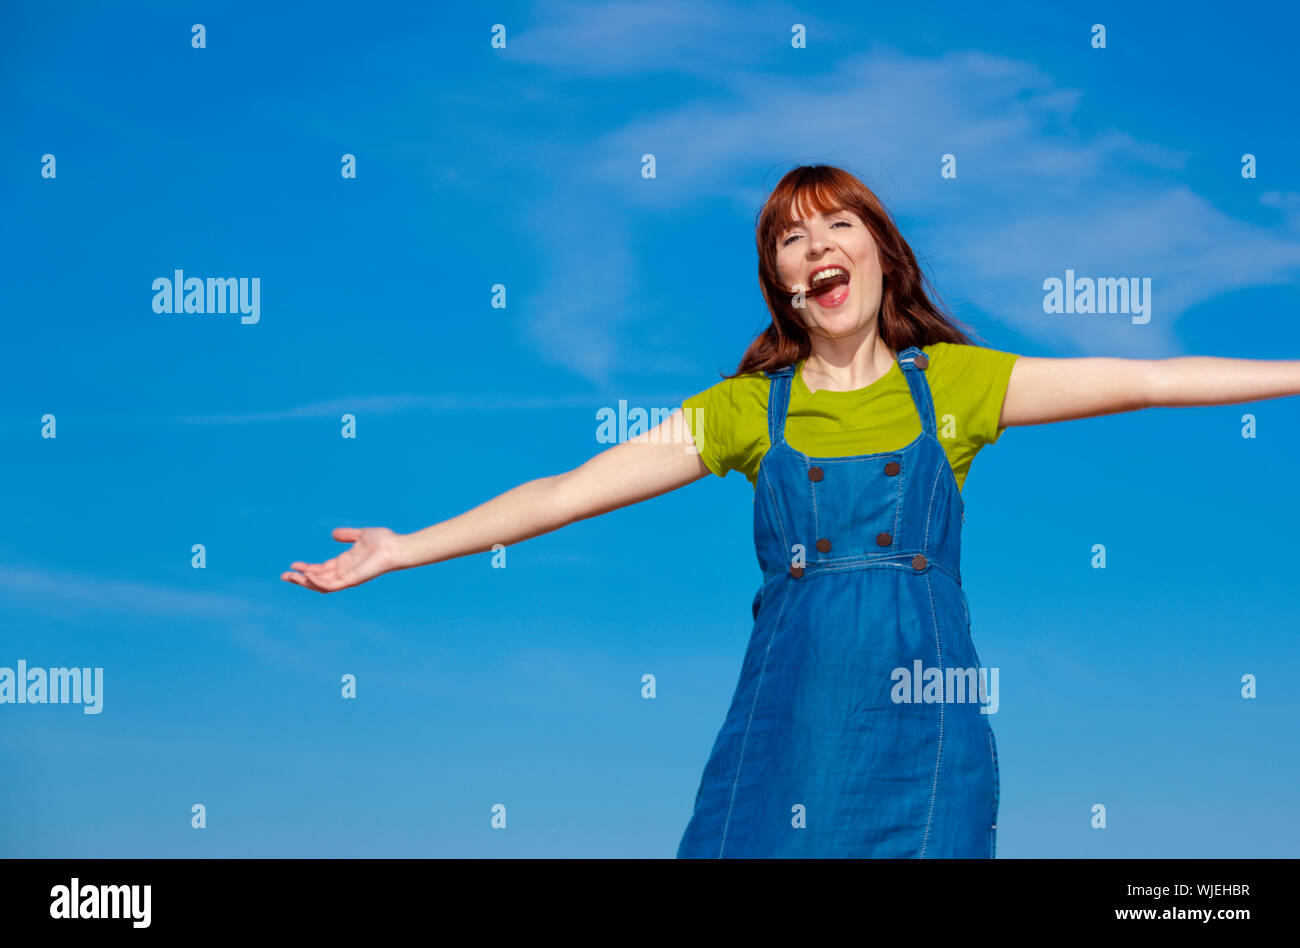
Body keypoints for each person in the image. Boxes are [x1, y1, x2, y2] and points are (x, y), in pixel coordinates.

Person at [283, 164, 1300, 858]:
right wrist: (404, 549)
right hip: (784, 729)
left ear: (880, 256)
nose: (814, 244)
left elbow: (1149, 377)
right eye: (788, 237)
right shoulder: (745, 412)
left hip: (924, 729)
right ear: (781, 283)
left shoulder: (950, 386)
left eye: (837, 224)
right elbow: (561, 494)